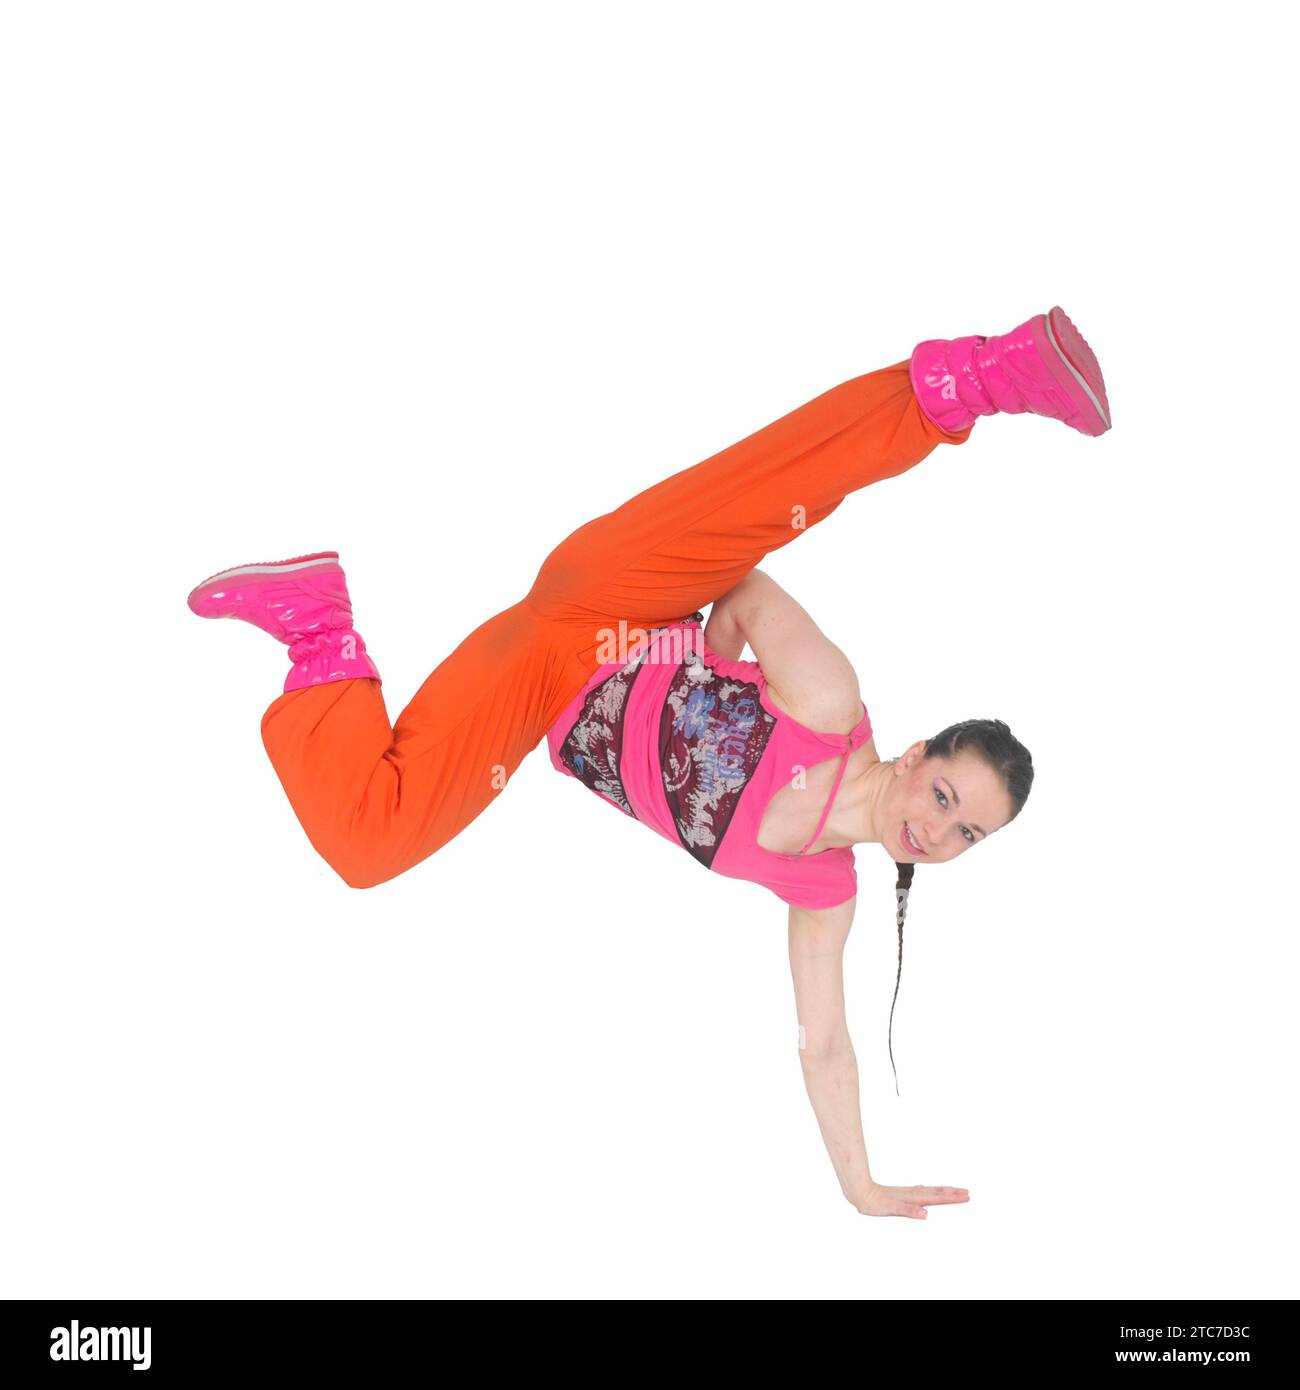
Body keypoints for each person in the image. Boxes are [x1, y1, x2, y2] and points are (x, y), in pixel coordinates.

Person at [187, 306, 1110, 1218]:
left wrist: (860, 1186)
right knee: (766, 495)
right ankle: (984, 376)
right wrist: (696, 659)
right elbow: (743, 580)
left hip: (545, 691)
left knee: (368, 844)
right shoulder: (830, 705)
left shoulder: (823, 887)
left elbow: (825, 1043)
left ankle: (316, 628)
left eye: (966, 833)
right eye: (947, 795)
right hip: (620, 593)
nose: (938, 830)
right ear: (915, 756)